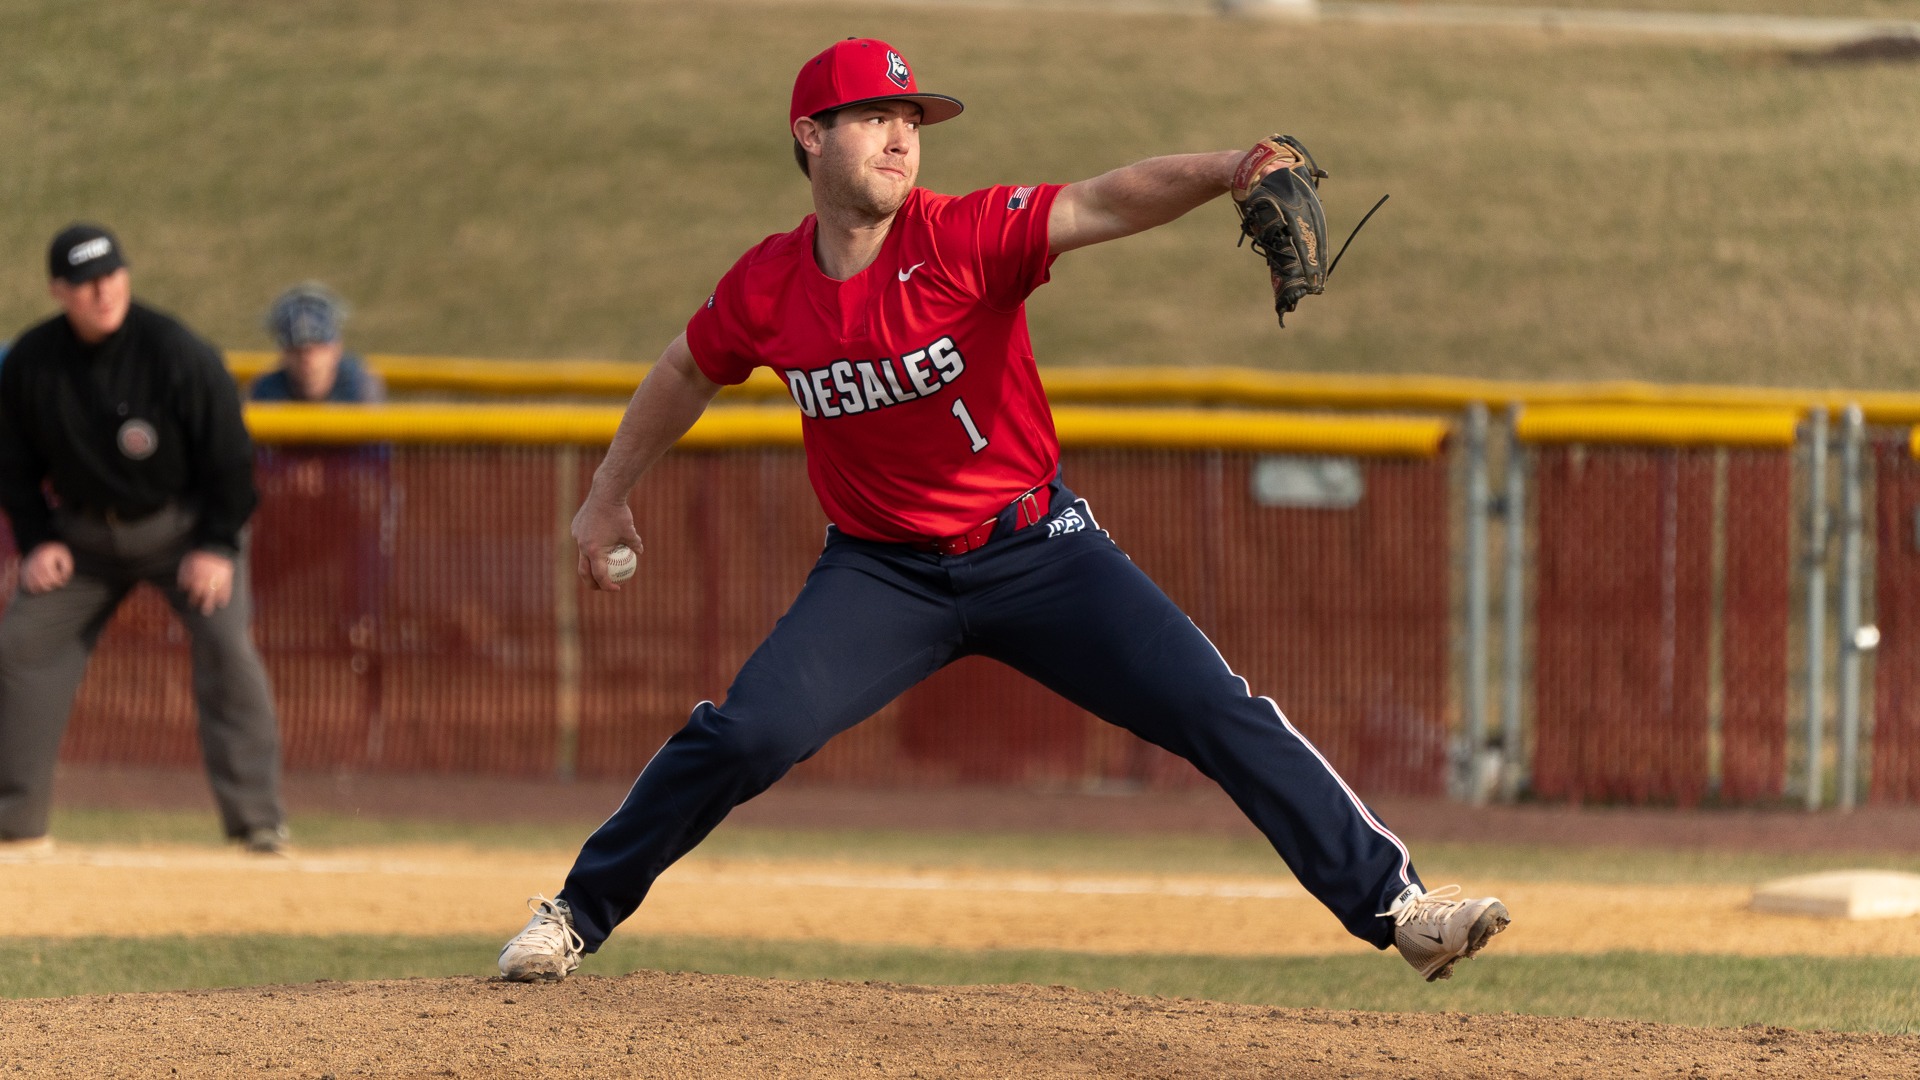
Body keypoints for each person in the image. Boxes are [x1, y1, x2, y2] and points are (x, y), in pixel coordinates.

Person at [499, 38, 1509, 983]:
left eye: (914, 117)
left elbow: (1105, 199)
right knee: (746, 735)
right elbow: (685, 368)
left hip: (1038, 551)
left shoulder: (963, 234)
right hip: (880, 574)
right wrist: (605, 497)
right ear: (811, 135)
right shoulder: (768, 284)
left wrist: (1228, 167)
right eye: (874, 115)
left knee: (1213, 707)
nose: (903, 134)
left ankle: (1400, 908)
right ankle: (576, 914)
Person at [0, 223, 288, 858]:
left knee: (226, 648)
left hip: (183, 529)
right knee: (20, 647)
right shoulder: (32, 361)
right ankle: (15, 826)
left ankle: (258, 823)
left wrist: (215, 545)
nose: (102, 292)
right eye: (84, 283)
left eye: (111, 275)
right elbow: (12, 462)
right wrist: (36, 538)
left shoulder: (175, 350)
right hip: (82, 538)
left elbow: (233, 463)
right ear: (58, 290)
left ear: (126, 275)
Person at [248, 283, 384, 403]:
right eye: (296, 350)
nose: (306, 359)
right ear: (284, 353)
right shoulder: (264, 394)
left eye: (316, 348)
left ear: (336, 347)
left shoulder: (360, 389)